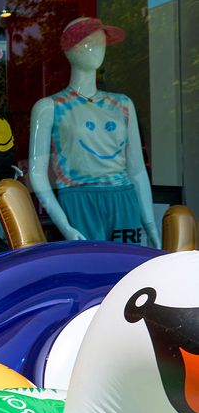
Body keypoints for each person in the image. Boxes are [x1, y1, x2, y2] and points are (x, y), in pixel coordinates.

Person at [28, 16, 158, 246]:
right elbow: (37, 174)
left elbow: (137, 169)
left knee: (129, 265)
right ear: (72, 50)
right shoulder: (50, 107)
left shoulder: (122, 105)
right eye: (90, 43)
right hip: (78, 199)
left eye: (102, 43)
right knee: (90, 265)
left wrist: (150, 224)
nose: (99, 49)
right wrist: (65, 225)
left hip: (123, 198)